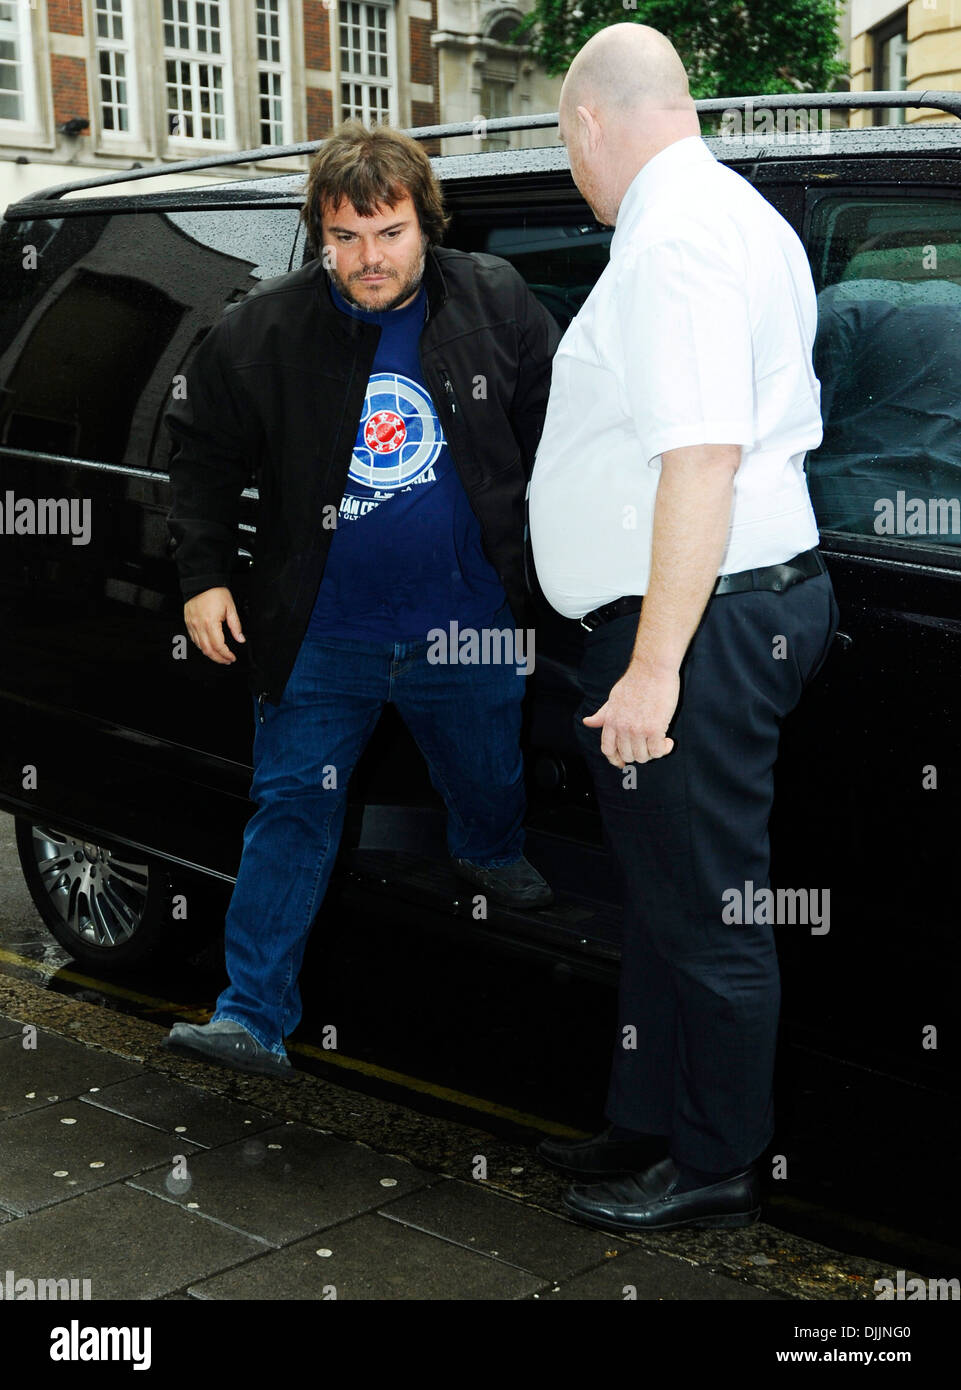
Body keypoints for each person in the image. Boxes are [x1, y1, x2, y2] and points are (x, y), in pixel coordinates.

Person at [161, 121, 560, 1078]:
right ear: (319, 235)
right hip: (321, 631)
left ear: (426, 224)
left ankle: (486, 850)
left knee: (487, 773)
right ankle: (250, 1015)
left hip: (466, 623)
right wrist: (204, 575)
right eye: (344, 237)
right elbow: (201, 458)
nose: (366, 258)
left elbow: (560, 428)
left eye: (387, 233)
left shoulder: (496, 301)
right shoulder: (263, 329)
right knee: (292, 808)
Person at [528, 25, 839, 1230]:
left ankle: (714, 1162)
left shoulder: (673, 237)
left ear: (591, 123)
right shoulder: (736, 214)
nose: (573, 174)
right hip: (721, 613)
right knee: (665, 902)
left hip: (700, 628)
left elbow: (701, 458)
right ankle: (645, 1123)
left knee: (707, 914)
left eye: (567, 147)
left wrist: (653, 664)